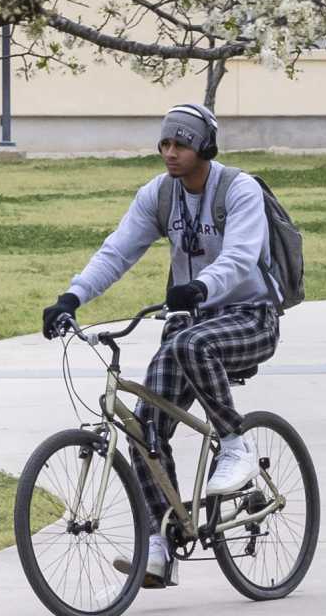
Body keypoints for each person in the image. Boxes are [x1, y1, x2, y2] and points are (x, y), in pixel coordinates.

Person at [40, 104, 282, 586]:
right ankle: (159, 543)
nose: (171, 153)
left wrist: (200, 287)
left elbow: (239, 257)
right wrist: (72, 296)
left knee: (190, 343)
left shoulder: (239, 190)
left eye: (182, 145)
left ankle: (236, 443)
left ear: (205, 148)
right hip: (193, 320)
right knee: (143, 428)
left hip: (250, 317)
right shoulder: (159, 196)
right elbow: (117, 250)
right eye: (165, 144)